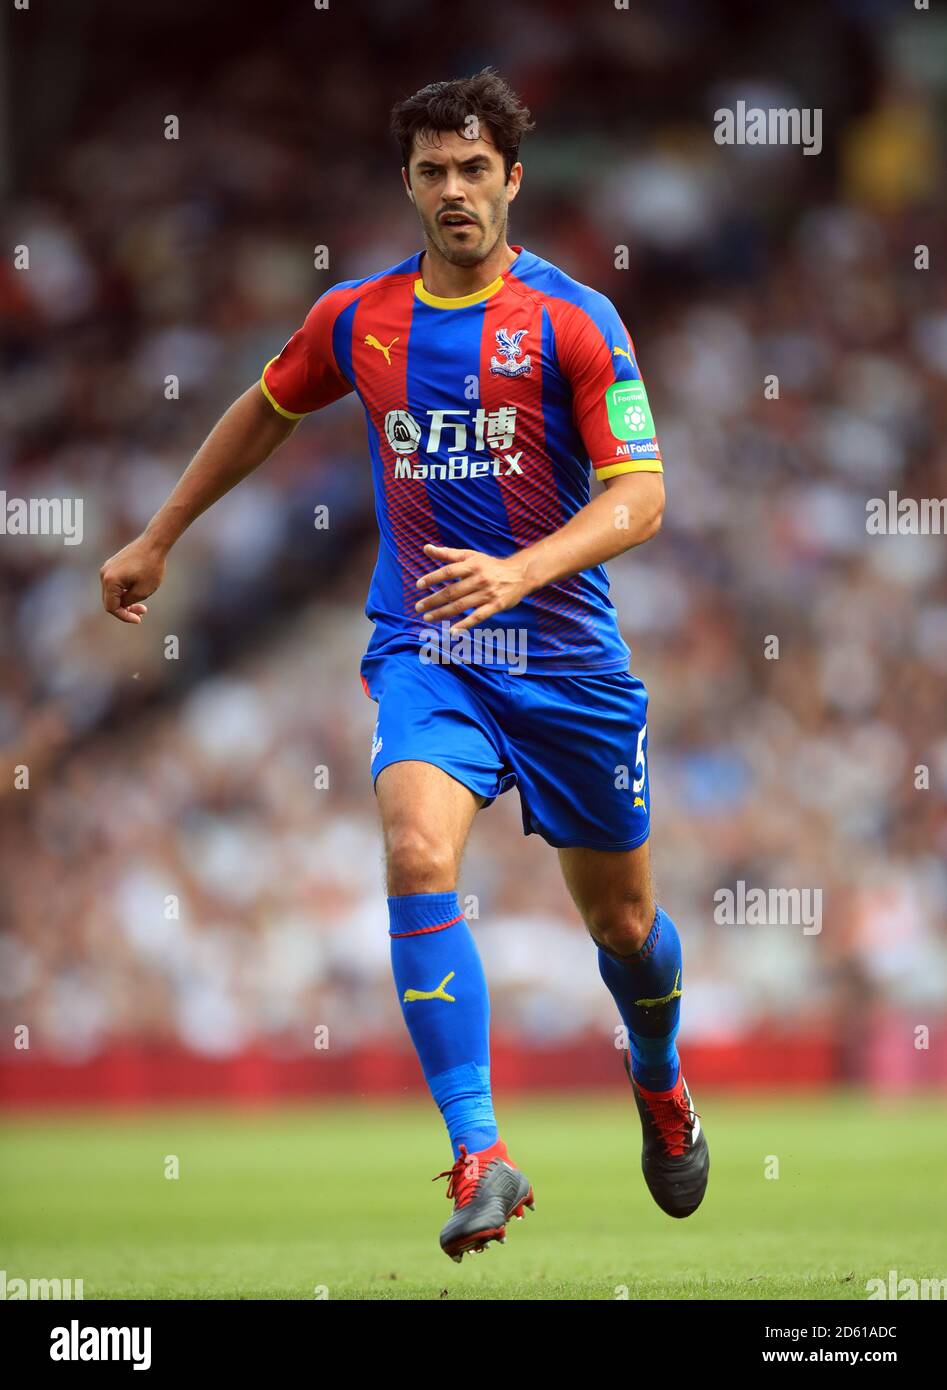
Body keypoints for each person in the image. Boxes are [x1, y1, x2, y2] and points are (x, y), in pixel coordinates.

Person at [100, 67, 708, 1263]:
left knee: (625, 924)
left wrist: (520, 568)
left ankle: (657, 1073)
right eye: (432, 171)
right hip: (430, 646)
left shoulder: (575, 319)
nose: (453, 189)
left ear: (512, 180)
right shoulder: (359, 319)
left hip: (566, 660)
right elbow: (266, 405)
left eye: (474, 168)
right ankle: (480, 1151)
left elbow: (641, 494)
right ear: (407, 185)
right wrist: (160, 534)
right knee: (413, 844)